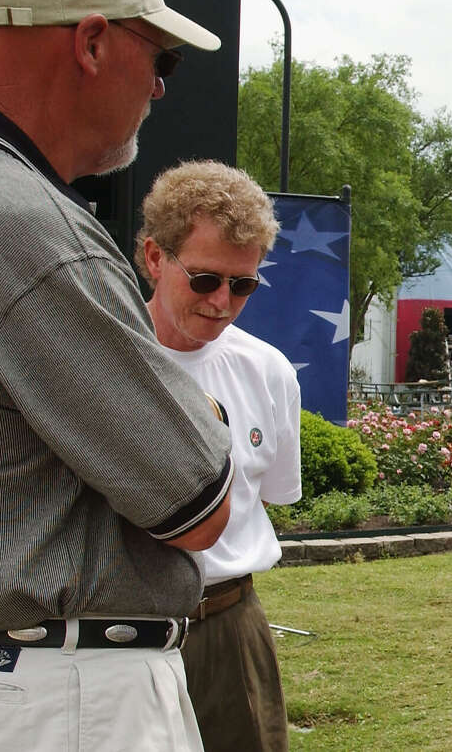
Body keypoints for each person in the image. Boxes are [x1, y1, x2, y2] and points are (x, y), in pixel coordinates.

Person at [0, 0, 233, 750]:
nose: (160, 87)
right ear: (92, 43)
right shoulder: (21, 225)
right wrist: (202, 420)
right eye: (158, 58)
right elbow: (199, 500)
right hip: (64, 692)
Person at [135, 161, 302, 752]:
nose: (224, 302)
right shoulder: (102, 361)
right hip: (121, 632)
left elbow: (272, 496)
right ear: (155, 257)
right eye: (206, 280)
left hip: (230, 626)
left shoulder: (267, 370)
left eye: (244, 284)